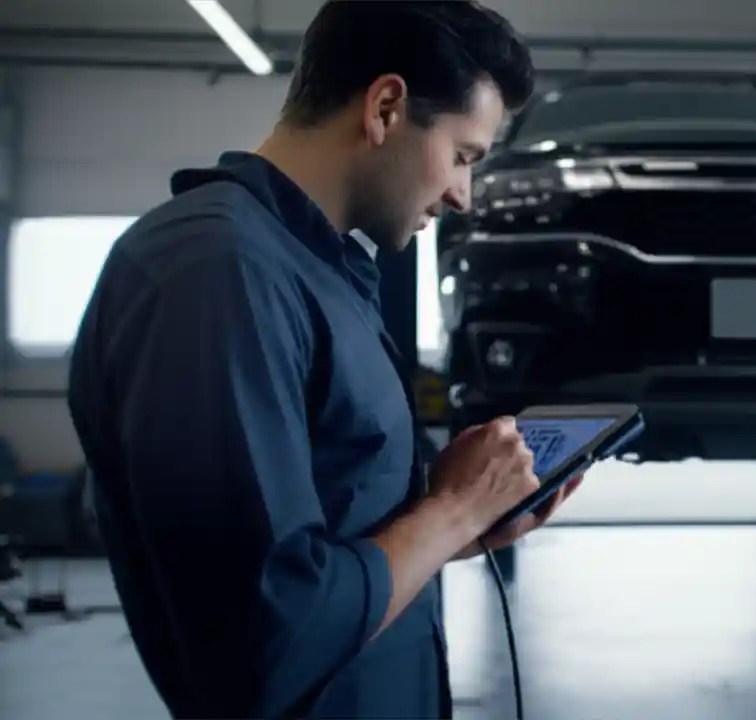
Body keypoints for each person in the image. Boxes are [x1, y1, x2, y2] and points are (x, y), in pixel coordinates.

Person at [65, 3, 572, 718]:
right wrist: (451, 512)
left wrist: (456, 527)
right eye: (463, 156)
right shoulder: (217, 269)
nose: (463, 194)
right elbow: (266, 637)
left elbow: (338, 533)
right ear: (386, 108)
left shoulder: (320, 271)